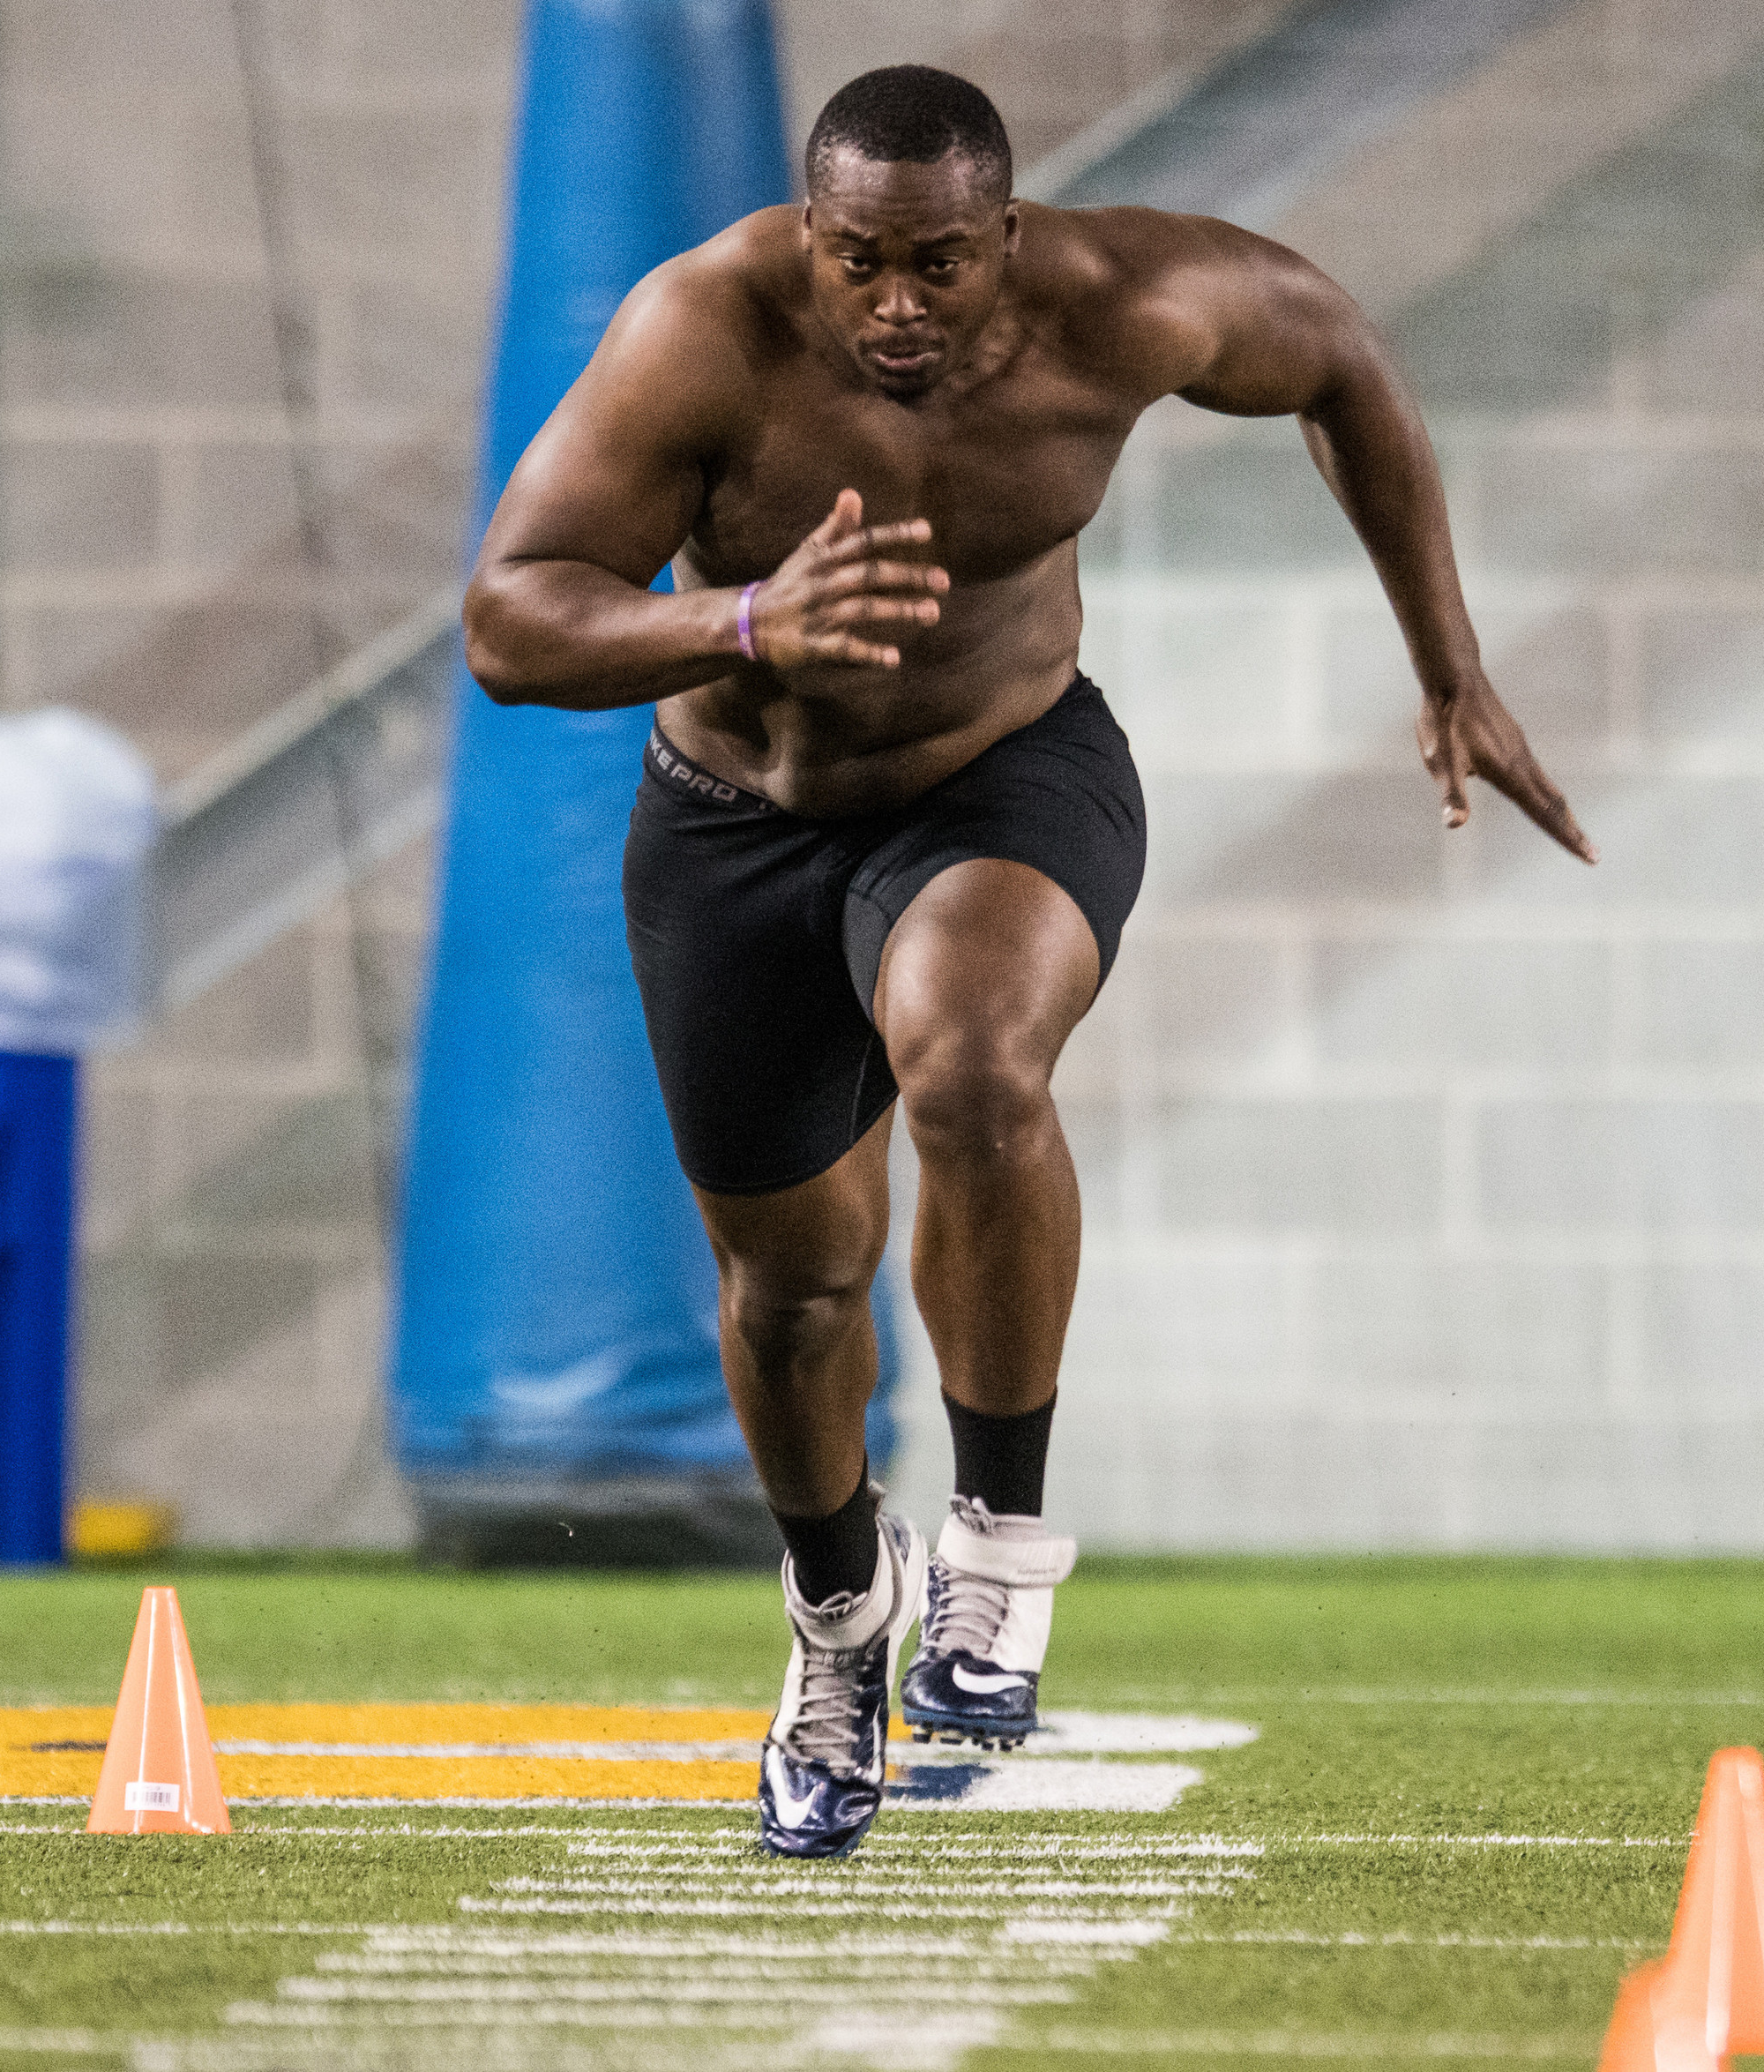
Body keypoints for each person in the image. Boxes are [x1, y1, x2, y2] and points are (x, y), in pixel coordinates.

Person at [462, 64, 1595, 1859]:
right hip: (735, 815)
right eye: (856, 264)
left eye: (935, 264)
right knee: (793, 1291)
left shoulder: (1126, 304)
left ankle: (996, 1549)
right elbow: (510, 615)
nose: (894, 308)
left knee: (975, 1065)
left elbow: (1343, 365)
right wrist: (742, 616)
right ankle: (839, 1620)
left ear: (1005, 236)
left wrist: (1445, 659)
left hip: (1001, 768)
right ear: (809, 241)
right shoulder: (700, 329)